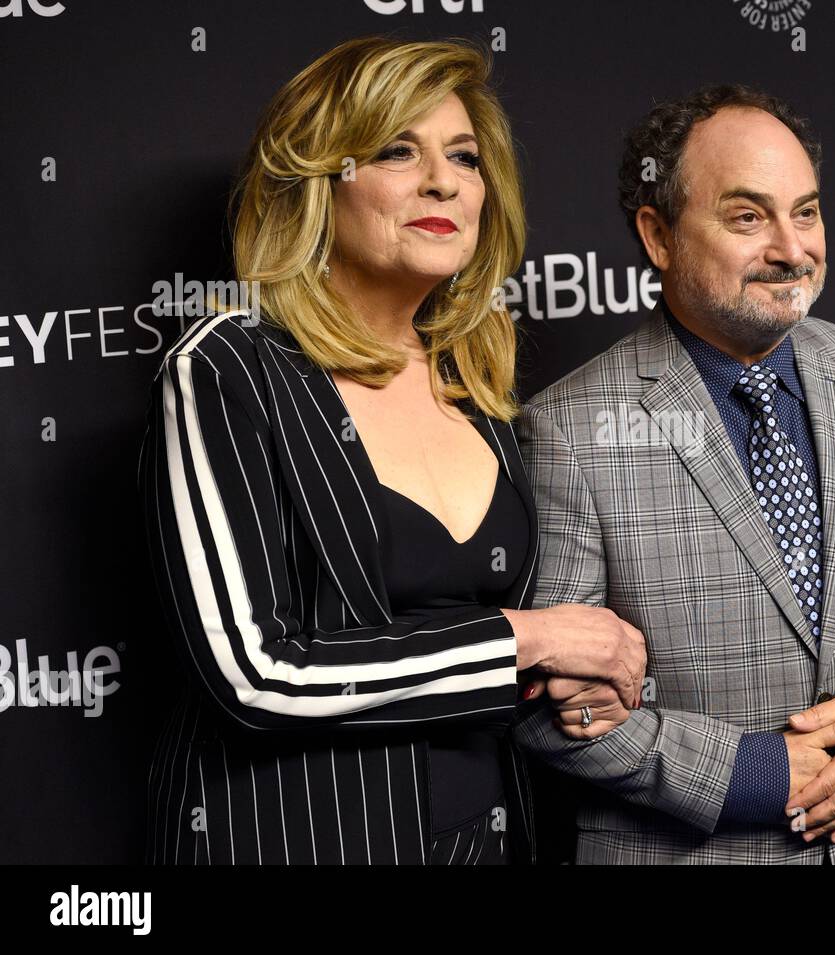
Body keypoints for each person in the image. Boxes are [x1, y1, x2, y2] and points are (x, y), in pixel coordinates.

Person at [137, 36, 643, 866]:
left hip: (489, 835)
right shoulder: (229, 367)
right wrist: (531, 639)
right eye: (397, 151)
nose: (443, 180)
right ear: (318, 180)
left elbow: (479, 669)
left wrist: (574, 685)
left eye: (465, 157)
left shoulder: (475, 387)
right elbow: (256, 675)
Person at [513, 84, 835, 864]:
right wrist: (753, 772)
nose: (793, 249)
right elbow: (549, 709)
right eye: (747, 216)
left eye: (807, 211)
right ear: (659, 236)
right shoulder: (568, 432)